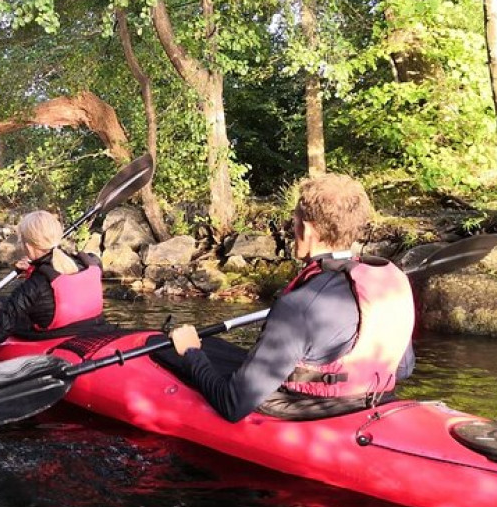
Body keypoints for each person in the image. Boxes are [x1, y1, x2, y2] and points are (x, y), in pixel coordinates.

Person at [154, 173, 416, 422]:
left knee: (172, 352)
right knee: (215, 348)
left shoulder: (301, 305)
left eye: (295, 222)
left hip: (313, 409)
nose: (293, 229)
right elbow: (403, 369)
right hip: (373, 398)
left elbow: (232, 405)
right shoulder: (389, 281)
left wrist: (191, 353)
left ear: (309, 230)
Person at [0, 210, 107, 356]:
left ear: (28, 246)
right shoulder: (89, 262)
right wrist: (32, 269)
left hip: (51, 334)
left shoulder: (32, 288)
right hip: (92, 328)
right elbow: (62, 279)